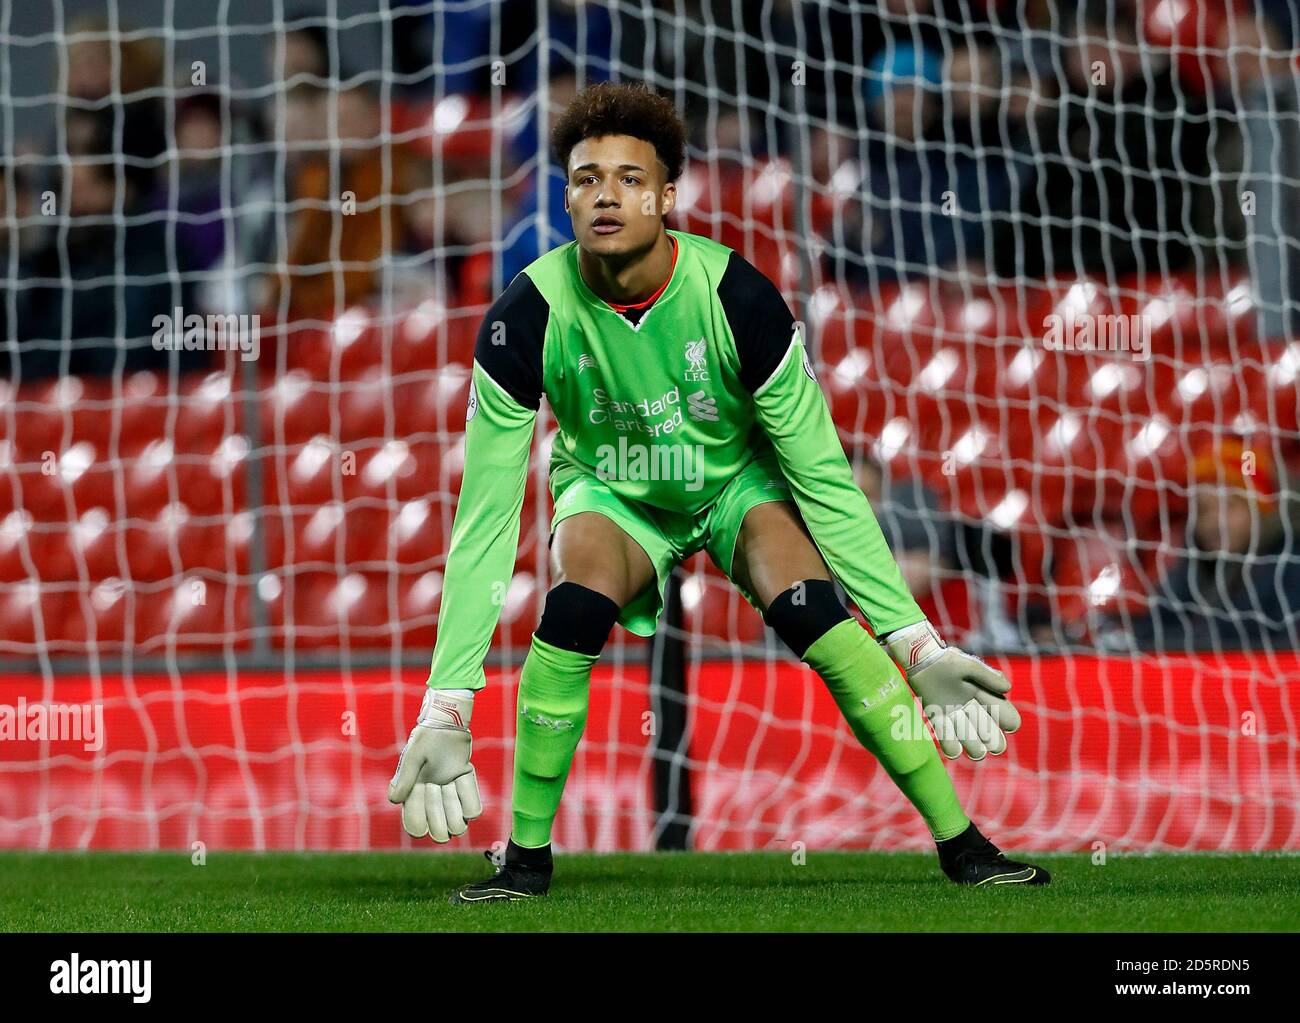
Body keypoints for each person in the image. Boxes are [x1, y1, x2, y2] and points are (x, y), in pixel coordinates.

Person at [387, 82, 1051, 901]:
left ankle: (966, 845)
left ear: (668, 196)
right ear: (564, 198)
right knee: (572, 607)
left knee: (814, 611)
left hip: (735, 482)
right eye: (586, 177)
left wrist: (912, 640)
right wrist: (448, 699)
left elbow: (822, 476)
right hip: (613, 492)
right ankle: (524, 861)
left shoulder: (739, 298)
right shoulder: (524, 318)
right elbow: (485, 520)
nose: (606, 194)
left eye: (630, 178)